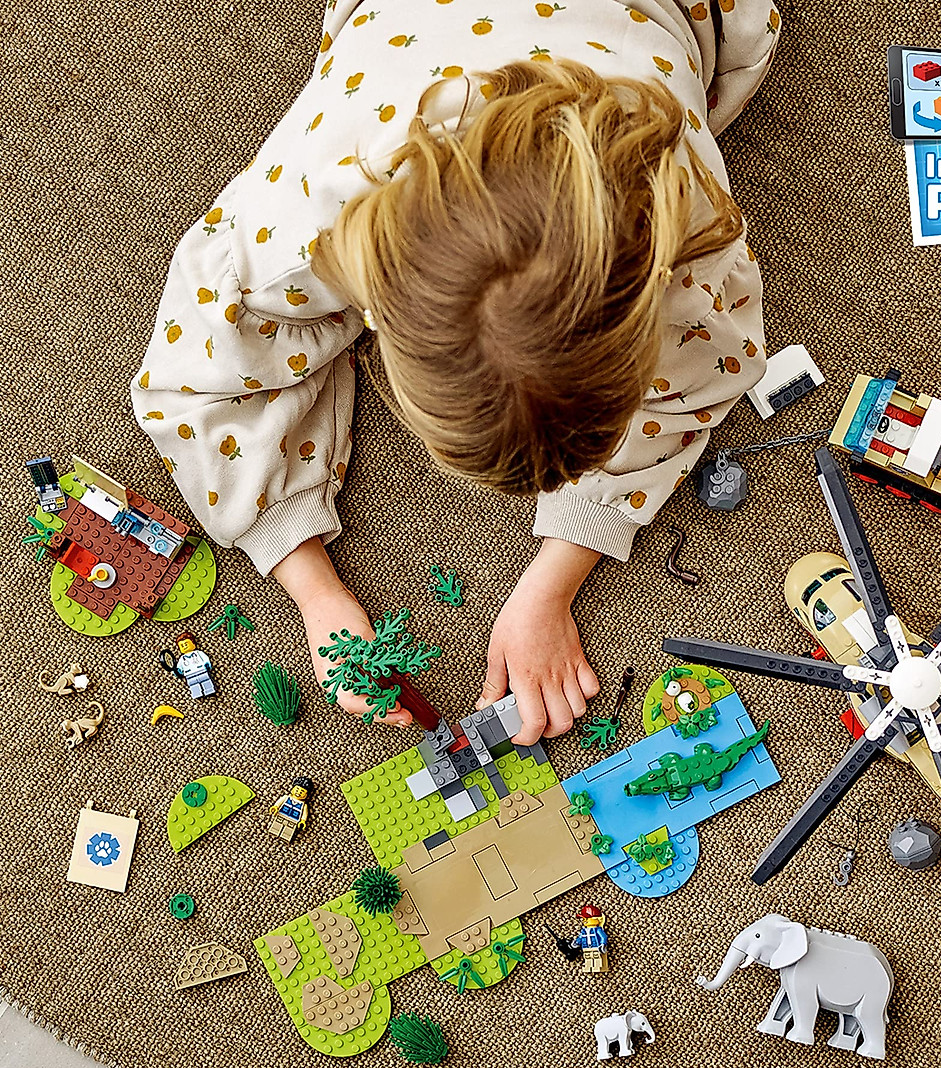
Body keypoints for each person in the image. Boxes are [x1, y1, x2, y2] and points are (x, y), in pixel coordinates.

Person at [132, 1, 779, 741]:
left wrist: (556, 576)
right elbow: (189, 382)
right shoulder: (297, 227)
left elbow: (705, 370)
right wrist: (311, 586)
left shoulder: (686, 239)